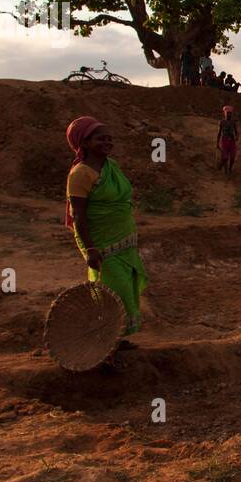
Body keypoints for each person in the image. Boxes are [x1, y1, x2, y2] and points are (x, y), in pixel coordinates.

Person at [64, 117, 148, 339]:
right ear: (85, 142)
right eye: (101, 138)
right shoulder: (80, 174)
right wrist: (90, 249)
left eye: (110, 138)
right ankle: (104, 341)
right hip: (101, 243)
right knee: (112, 291)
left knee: (126, 288)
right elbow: (79, 215)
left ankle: (115, 341)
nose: (108, 142)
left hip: (124, 241)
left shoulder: (112, 167)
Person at [216, 106, 238, 176]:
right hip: (224, 140)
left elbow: (236, 131)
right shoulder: (222, 122)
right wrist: (217, 143)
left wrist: (237, 137)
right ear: (224, 113)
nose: (229, 114)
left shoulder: (233, 122)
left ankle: (229, 168)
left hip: (232, 140)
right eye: (227, 113)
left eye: (230, 113)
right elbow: (219, 132)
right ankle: (226, 171)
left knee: (232, 157)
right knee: (225, 157)